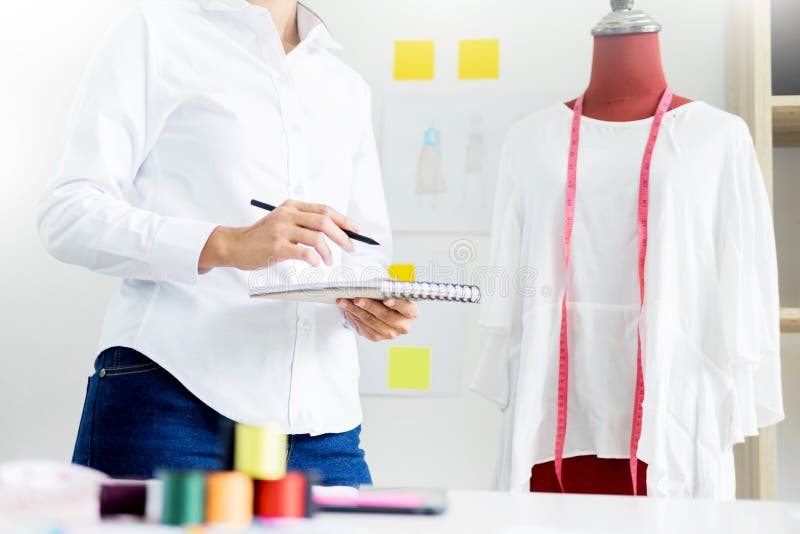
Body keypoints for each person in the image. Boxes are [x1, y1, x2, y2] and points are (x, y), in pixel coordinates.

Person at [37, 0, 419, 488]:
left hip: (323, 429)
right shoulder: (156, 35)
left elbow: (364, 247)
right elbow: (67, 213)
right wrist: (225, 243)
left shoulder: (344, 84)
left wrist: (369, 302)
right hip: (172, 402)